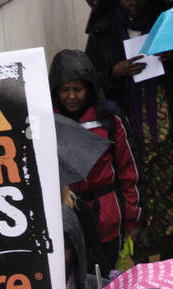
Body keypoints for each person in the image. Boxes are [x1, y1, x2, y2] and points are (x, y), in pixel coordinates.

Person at [86, 0, 173, 260]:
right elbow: (90, 80)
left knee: (171, 186)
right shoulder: (104, 29)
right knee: (136, 190)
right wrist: (115, 72)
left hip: (169, 128)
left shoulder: (171, 22)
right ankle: (140, 257)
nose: (132, 2)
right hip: (130, 133)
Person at [49, 50, 140, 275]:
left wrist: (132, 217)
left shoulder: (109, 118)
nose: (71, 96)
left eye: (77, 89)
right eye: (65, 90)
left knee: (109, 282)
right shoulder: (45, 122)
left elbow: (129, 171)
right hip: (68, 222)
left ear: (89, 88)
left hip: (107, 219)